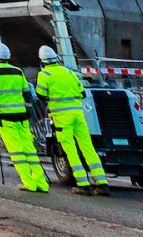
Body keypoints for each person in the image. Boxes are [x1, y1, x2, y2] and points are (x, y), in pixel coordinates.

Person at [35, 46, 109, 195]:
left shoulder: (45, 74)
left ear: (42, 62)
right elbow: (82, 93)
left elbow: (41, 95)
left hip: (62, 117)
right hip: (78, 114)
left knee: (70, 150)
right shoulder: (69, 72)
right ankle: (102, 183)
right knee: (88, 147)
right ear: (56, 59)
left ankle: (83, 184)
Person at [0, 43, 49, 193]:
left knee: (17, 152)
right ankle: (41, 183)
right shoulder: (18, 71)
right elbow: (27, 93)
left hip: (5, 117)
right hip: (22, 116)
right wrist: (27, 111)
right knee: (30, 150)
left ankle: (29, 183)